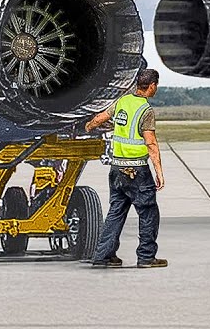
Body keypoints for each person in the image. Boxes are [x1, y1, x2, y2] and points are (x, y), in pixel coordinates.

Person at [85, 68, 167, 269]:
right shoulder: (145, 111)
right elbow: (151, 144)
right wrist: (159, 172)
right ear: (152, 86)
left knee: (116, 212)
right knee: (148, 212)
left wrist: (88, 126)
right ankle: (146, 257)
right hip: (137, 170)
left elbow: (100, 118)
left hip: (117, 169)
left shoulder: (123, 102)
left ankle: (103, 256)